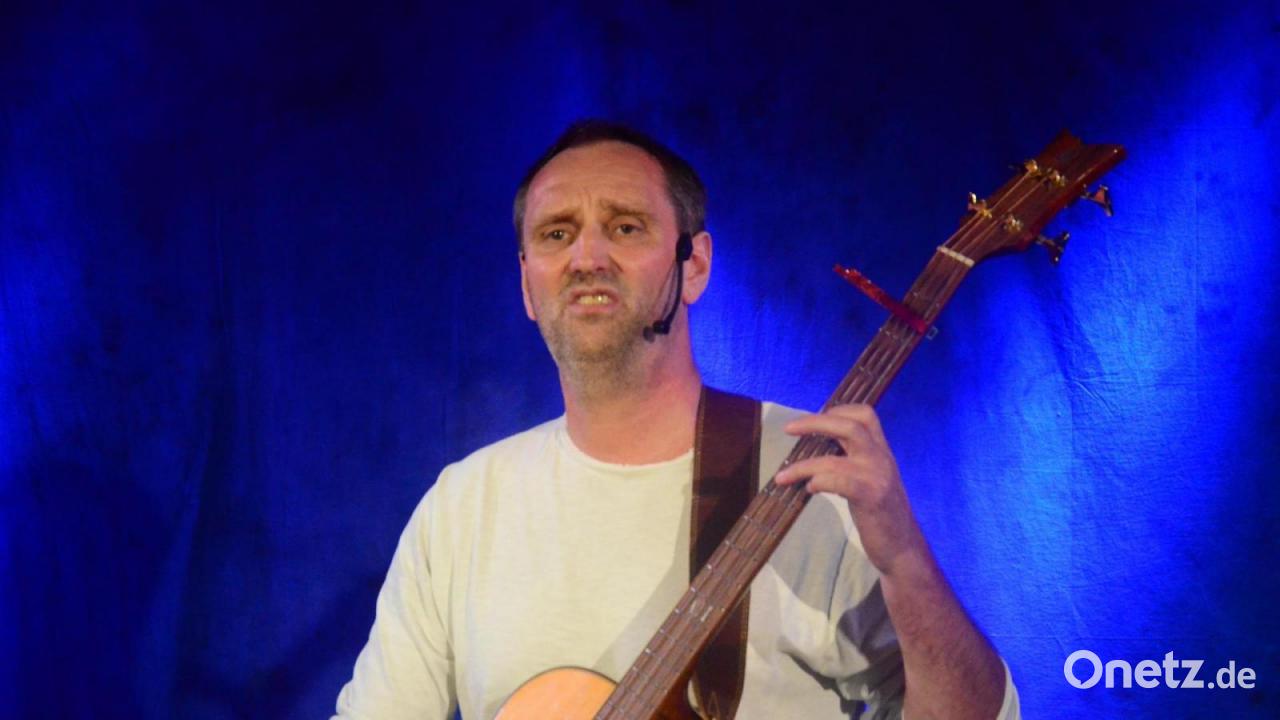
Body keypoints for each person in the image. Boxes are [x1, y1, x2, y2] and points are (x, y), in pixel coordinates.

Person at [333, 121, 1020, 719]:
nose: (587, 257)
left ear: (695, 266)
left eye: (625, 227)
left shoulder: (812, 473)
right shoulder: (464, 505)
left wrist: (902, 557)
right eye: (556, 233)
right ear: (526, 286)